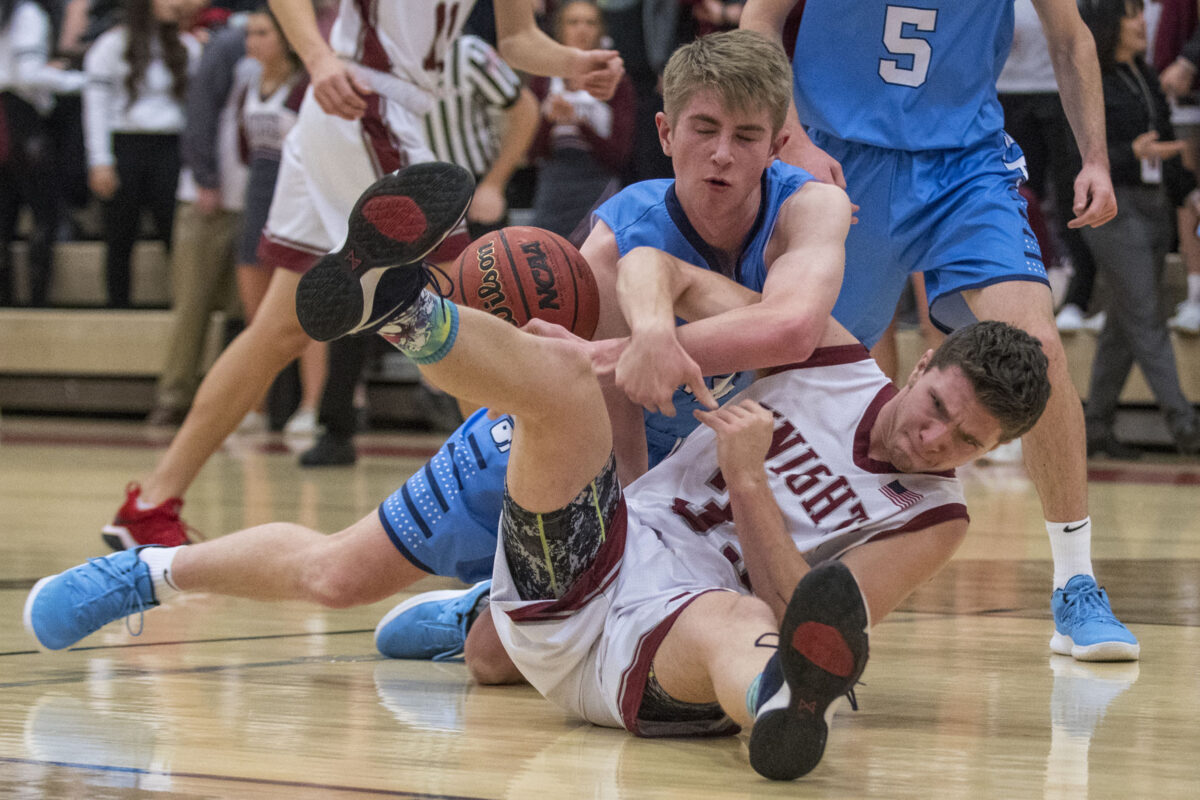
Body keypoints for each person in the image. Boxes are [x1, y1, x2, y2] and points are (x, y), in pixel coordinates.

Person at [25, 256, 1052, 782]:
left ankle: (788, 713)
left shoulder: (936, 519)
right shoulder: (822, 351)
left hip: (665, 640)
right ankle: (404, 306)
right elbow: (654, 264)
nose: (932, 441)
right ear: (923, 360)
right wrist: (649, 333)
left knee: (749, 631)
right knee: (559, 390)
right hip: (593, 552)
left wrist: (749, 482)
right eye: (938, 408)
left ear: (987, 455)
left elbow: (808, 604)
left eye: (961, 441)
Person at [23, 31, 851, 681]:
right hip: (558, 453)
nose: (722, 155)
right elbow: (538, 363)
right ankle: (146, 572)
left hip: (668, 489)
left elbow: (792, 330)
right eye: (704, 130)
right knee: (337, 576)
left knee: (497, 664)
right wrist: (608, 360)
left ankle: (476, 611)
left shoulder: (810, 207)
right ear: (666, 131)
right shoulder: (620, 228)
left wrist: (643, 345)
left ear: (777, 141)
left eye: (747, 138)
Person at [97, 0, 623, 549]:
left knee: (280, 330)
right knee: (471, 309)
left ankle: (151, 505)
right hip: (362, 103)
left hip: (361, 114)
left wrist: (572, 62)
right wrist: (320, 60)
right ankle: (533, 521)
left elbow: (517, 38)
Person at [740, 0, 1140, 661]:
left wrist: (1094, 158)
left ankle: (1076, 582)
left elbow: (1071, 40)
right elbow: (758, 19)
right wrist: (794, 138)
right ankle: (705, 548)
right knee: (783, 352)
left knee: (1036, 349)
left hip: (966, 165)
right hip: (839, 151)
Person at [300, 31, 541, 466]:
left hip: (466, 200)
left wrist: (495, 182)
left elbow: (524, 109)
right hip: (395, 199)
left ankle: (492, 435)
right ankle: (336, 429)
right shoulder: (372, 54)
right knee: (358, 301)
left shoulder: (468, 54)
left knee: (476, 312)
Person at [1075, 0, 1200, 458]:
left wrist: (1188, 191)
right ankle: (1185, 425)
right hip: (1113, 209)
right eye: (1130, 16)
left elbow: (1165, 146)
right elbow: (1079, 161)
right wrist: (1131, 151)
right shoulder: (1092, 84)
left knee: (1123, 324)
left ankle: (1096, 425)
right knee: (1146, 316)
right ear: (1110, 26)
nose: (1141, 22)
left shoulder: (1146, 76)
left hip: (1153, 207)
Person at [82, 0, 202, 308]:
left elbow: (198, 113)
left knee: (174, 233)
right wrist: (100, 161)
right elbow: (95, 107)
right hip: (124, 146)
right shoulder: (110, 46)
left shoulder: (189, 47)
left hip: (172, 148)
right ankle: (117, 309)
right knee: (119, 237)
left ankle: (183, 309)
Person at [0, 0, 86, 307]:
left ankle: (7, 300)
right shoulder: (27, 14)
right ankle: (38, 298)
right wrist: (81, 82)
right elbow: (28, 75)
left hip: (9, 119)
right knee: (43, 213)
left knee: (6, 214)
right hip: (19, 120)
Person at [529, 0, 635, 241]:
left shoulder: (617, 81)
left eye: (590, 22)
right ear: (559, 29)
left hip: (598, 188)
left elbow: (620, 156)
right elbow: (531, 153)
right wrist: (548, 119)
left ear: (601, 30)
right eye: (573, 22)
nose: (582, 29)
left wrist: (578, 123)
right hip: (552, 190)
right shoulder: (544, 79)